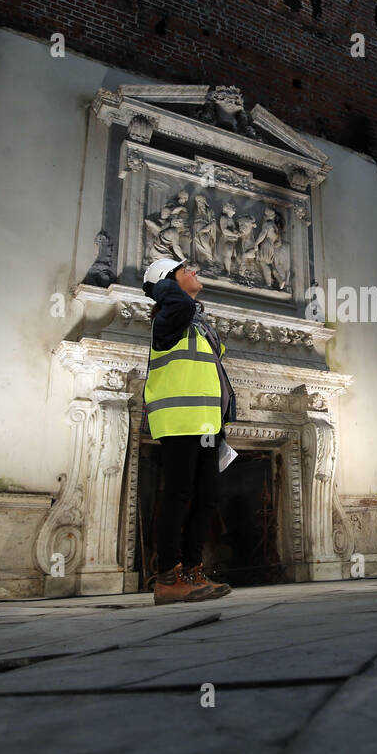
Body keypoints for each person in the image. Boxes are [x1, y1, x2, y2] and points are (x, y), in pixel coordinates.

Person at [141, 257, 236, 604]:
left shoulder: (199, 325)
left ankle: (193, 572)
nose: (195, 273)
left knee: (207, 497)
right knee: (178, 496)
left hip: (208, 424)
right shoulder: (171, 319)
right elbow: (180, 301)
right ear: (168, 283)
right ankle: (168, 578)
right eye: (186, 270)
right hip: (180, 421)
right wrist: (159, 285)